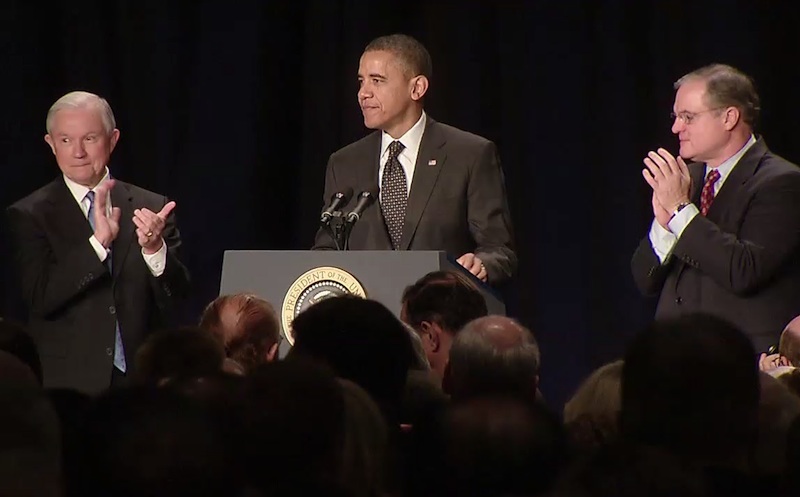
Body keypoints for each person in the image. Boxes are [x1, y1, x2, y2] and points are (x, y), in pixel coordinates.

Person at [6, 90, 190, 393]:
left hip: (142, 383)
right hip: (69, 387)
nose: (77, 152)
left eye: (89, 138)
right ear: (51, 144)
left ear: (113, 139)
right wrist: (97, 245)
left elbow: (177, 295)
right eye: (65, 140)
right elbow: (41, 297)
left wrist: (154, 250)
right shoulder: (30, 214)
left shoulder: (150, 206)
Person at [312, 34, 516, 285]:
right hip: (366, 316)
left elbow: (499, 250)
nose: (363, 93)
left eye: (377, 81)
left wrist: (482, 263)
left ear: (417, 88)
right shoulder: (344, 162)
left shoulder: (469, 154)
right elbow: (326, 250)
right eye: (361, 81)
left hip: (441, 314)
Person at [631, 63, 800, 353]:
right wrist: (663, 225)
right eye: (676, 116)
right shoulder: (688, 179)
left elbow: (743, 270)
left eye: (688, 117)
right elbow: (644, 279)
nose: (675, 128)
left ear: (729, 117)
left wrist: (681, 211)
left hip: (740, 367)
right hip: (675, 361)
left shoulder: (782, 182)